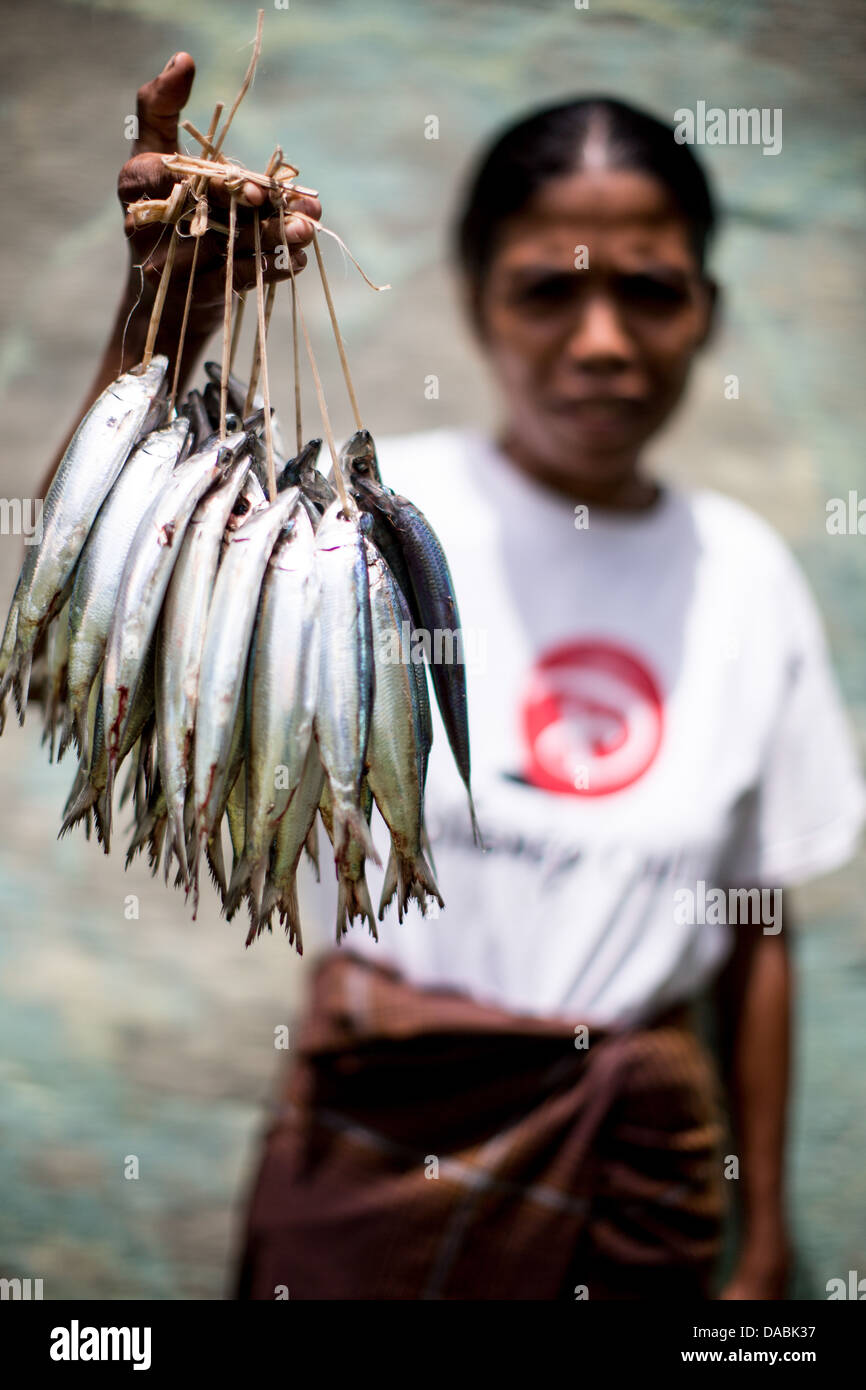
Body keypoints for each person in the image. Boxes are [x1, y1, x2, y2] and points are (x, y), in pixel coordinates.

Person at [92, 58, 863, 1301]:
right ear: (478, 300)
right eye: (547, 292)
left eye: (649, 292)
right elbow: (130, 561)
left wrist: (759, 1229)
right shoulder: (356, 525)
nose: (601, 340)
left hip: (632, 1178)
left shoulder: (747, 576)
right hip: (379, 1146)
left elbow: (754, 928)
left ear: (704, 311)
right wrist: (163, 322)